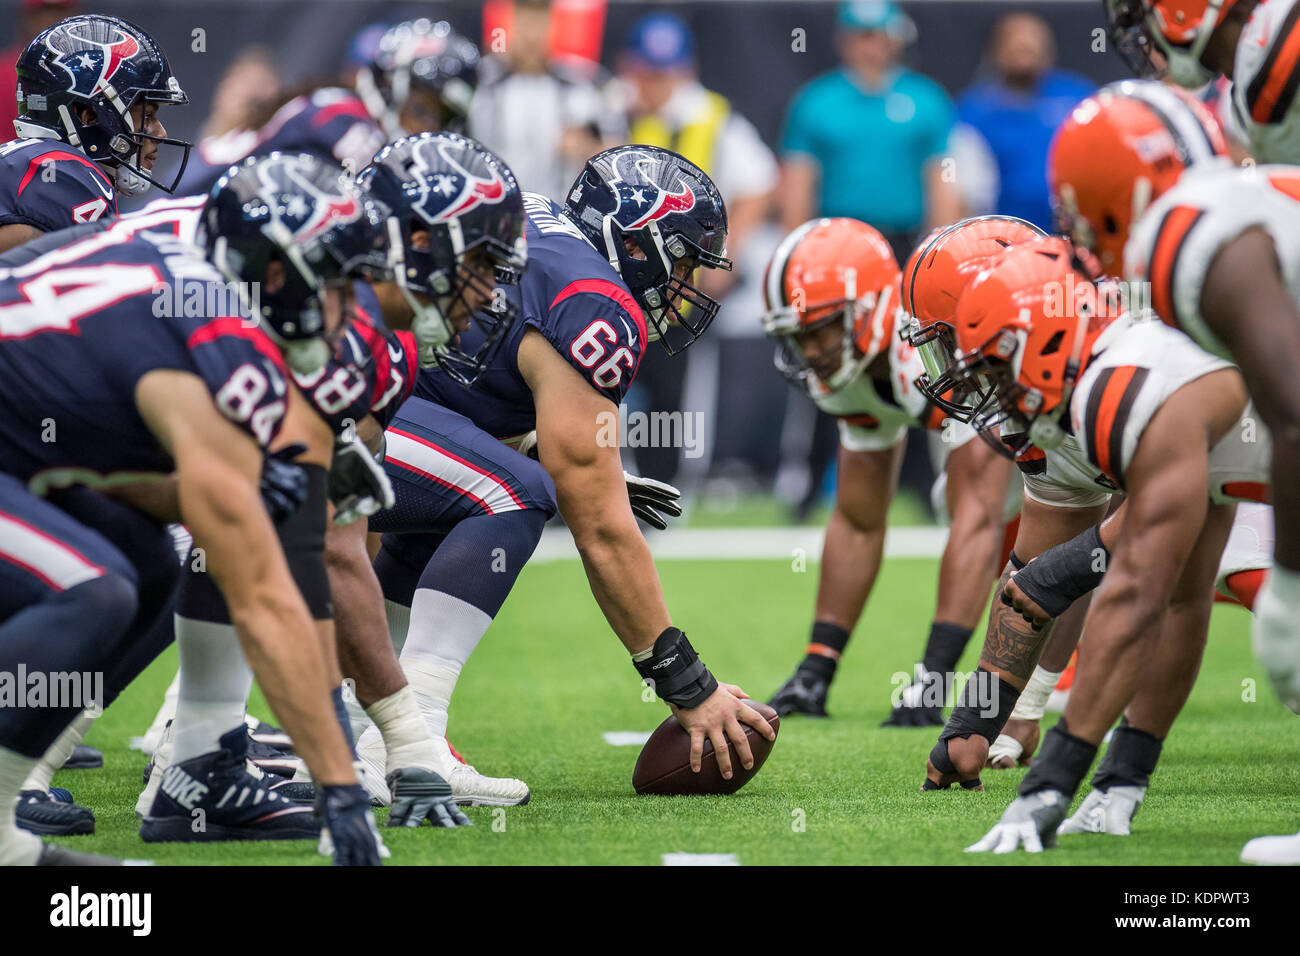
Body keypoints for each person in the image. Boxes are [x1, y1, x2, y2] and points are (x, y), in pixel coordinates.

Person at [335, 144, 774, 807]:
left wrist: (548, 451)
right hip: (343, 396)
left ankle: (366, 733)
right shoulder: (597, 302)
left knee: (463, 498)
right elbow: (600, 527)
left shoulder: (546, 231)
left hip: (359, 386)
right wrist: (689, 684)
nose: (687, 283)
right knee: (512, 494)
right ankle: (408, 731)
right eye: (681, 259)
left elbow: (466, 389)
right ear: (638, 243)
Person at [0, 164, 392, 865]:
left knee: (149, 562)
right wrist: (339, 787)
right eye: (332, 280)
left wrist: (220, 490)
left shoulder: (189, 287)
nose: (344, 305)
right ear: (276, 274)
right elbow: (265, 596)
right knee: (90, 588)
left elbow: (116, 465)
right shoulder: (209, 333)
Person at [945, 239, 1259, 855]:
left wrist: (1052, 781)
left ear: (1045, 340)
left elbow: (1137, 581)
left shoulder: (1119, 386)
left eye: (994, 369)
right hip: (1261, 473)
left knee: (1283, 635)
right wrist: (1118, 780)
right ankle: (1121, 784)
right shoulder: (1105, 373)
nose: (989, 394)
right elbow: (1179, 593)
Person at [760, 217, 1016, 725]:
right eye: (797, 335)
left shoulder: (933, 349)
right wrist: (818, 666)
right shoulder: (848, 372)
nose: (810, 351)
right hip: (1029, 437)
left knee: (969, 504)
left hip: (1081, 427)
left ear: (873, 309)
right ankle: (816, 671)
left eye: (820, 329)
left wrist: (933, 680)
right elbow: (858, 522)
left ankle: (1062, 650)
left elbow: (978, 518)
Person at [616, 10, 778, 485]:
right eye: (649, 71)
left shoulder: (712, 117)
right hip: (614, 274)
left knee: (671, 385)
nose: (657, 84)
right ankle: (592, 480)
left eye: (666, 73)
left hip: (677, 282)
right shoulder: (609, 107)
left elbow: (758, 183)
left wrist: (728, 251)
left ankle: (661, 483)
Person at [779, 1, 961, 267]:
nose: (871, 46)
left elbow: (941, 179)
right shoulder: (815, 102)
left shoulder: (926, 99)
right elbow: (798, 185)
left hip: (905, 241)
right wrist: (798, 255)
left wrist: (942, 253)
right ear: (843, 40)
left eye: (879, 36)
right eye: (861, 36)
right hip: (837, 242)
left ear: (896, 39)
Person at [0, 14, 190, 252]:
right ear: (89, 115)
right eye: (148, 116)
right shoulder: (65, 174)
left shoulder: (30, 164)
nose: (161, 133)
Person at [469, 0, 624, 201]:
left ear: (553, 25)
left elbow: (618, 159)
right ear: (511, 22)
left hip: (558, 218)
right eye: (526, 23)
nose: (532, 36)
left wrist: (585, 148)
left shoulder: (582, 86)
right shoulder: (481, 83)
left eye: (539, 24)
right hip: (494, 211)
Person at [957, 12, 1094, 231]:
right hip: (1002, 236)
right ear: (996, 51)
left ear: (1048, 50)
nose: (1024, 47)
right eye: (1015, 43)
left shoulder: (1078, 99)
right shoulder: (974, 110)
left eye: (1032, 42)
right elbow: (965, 189)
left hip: (1072, 230)